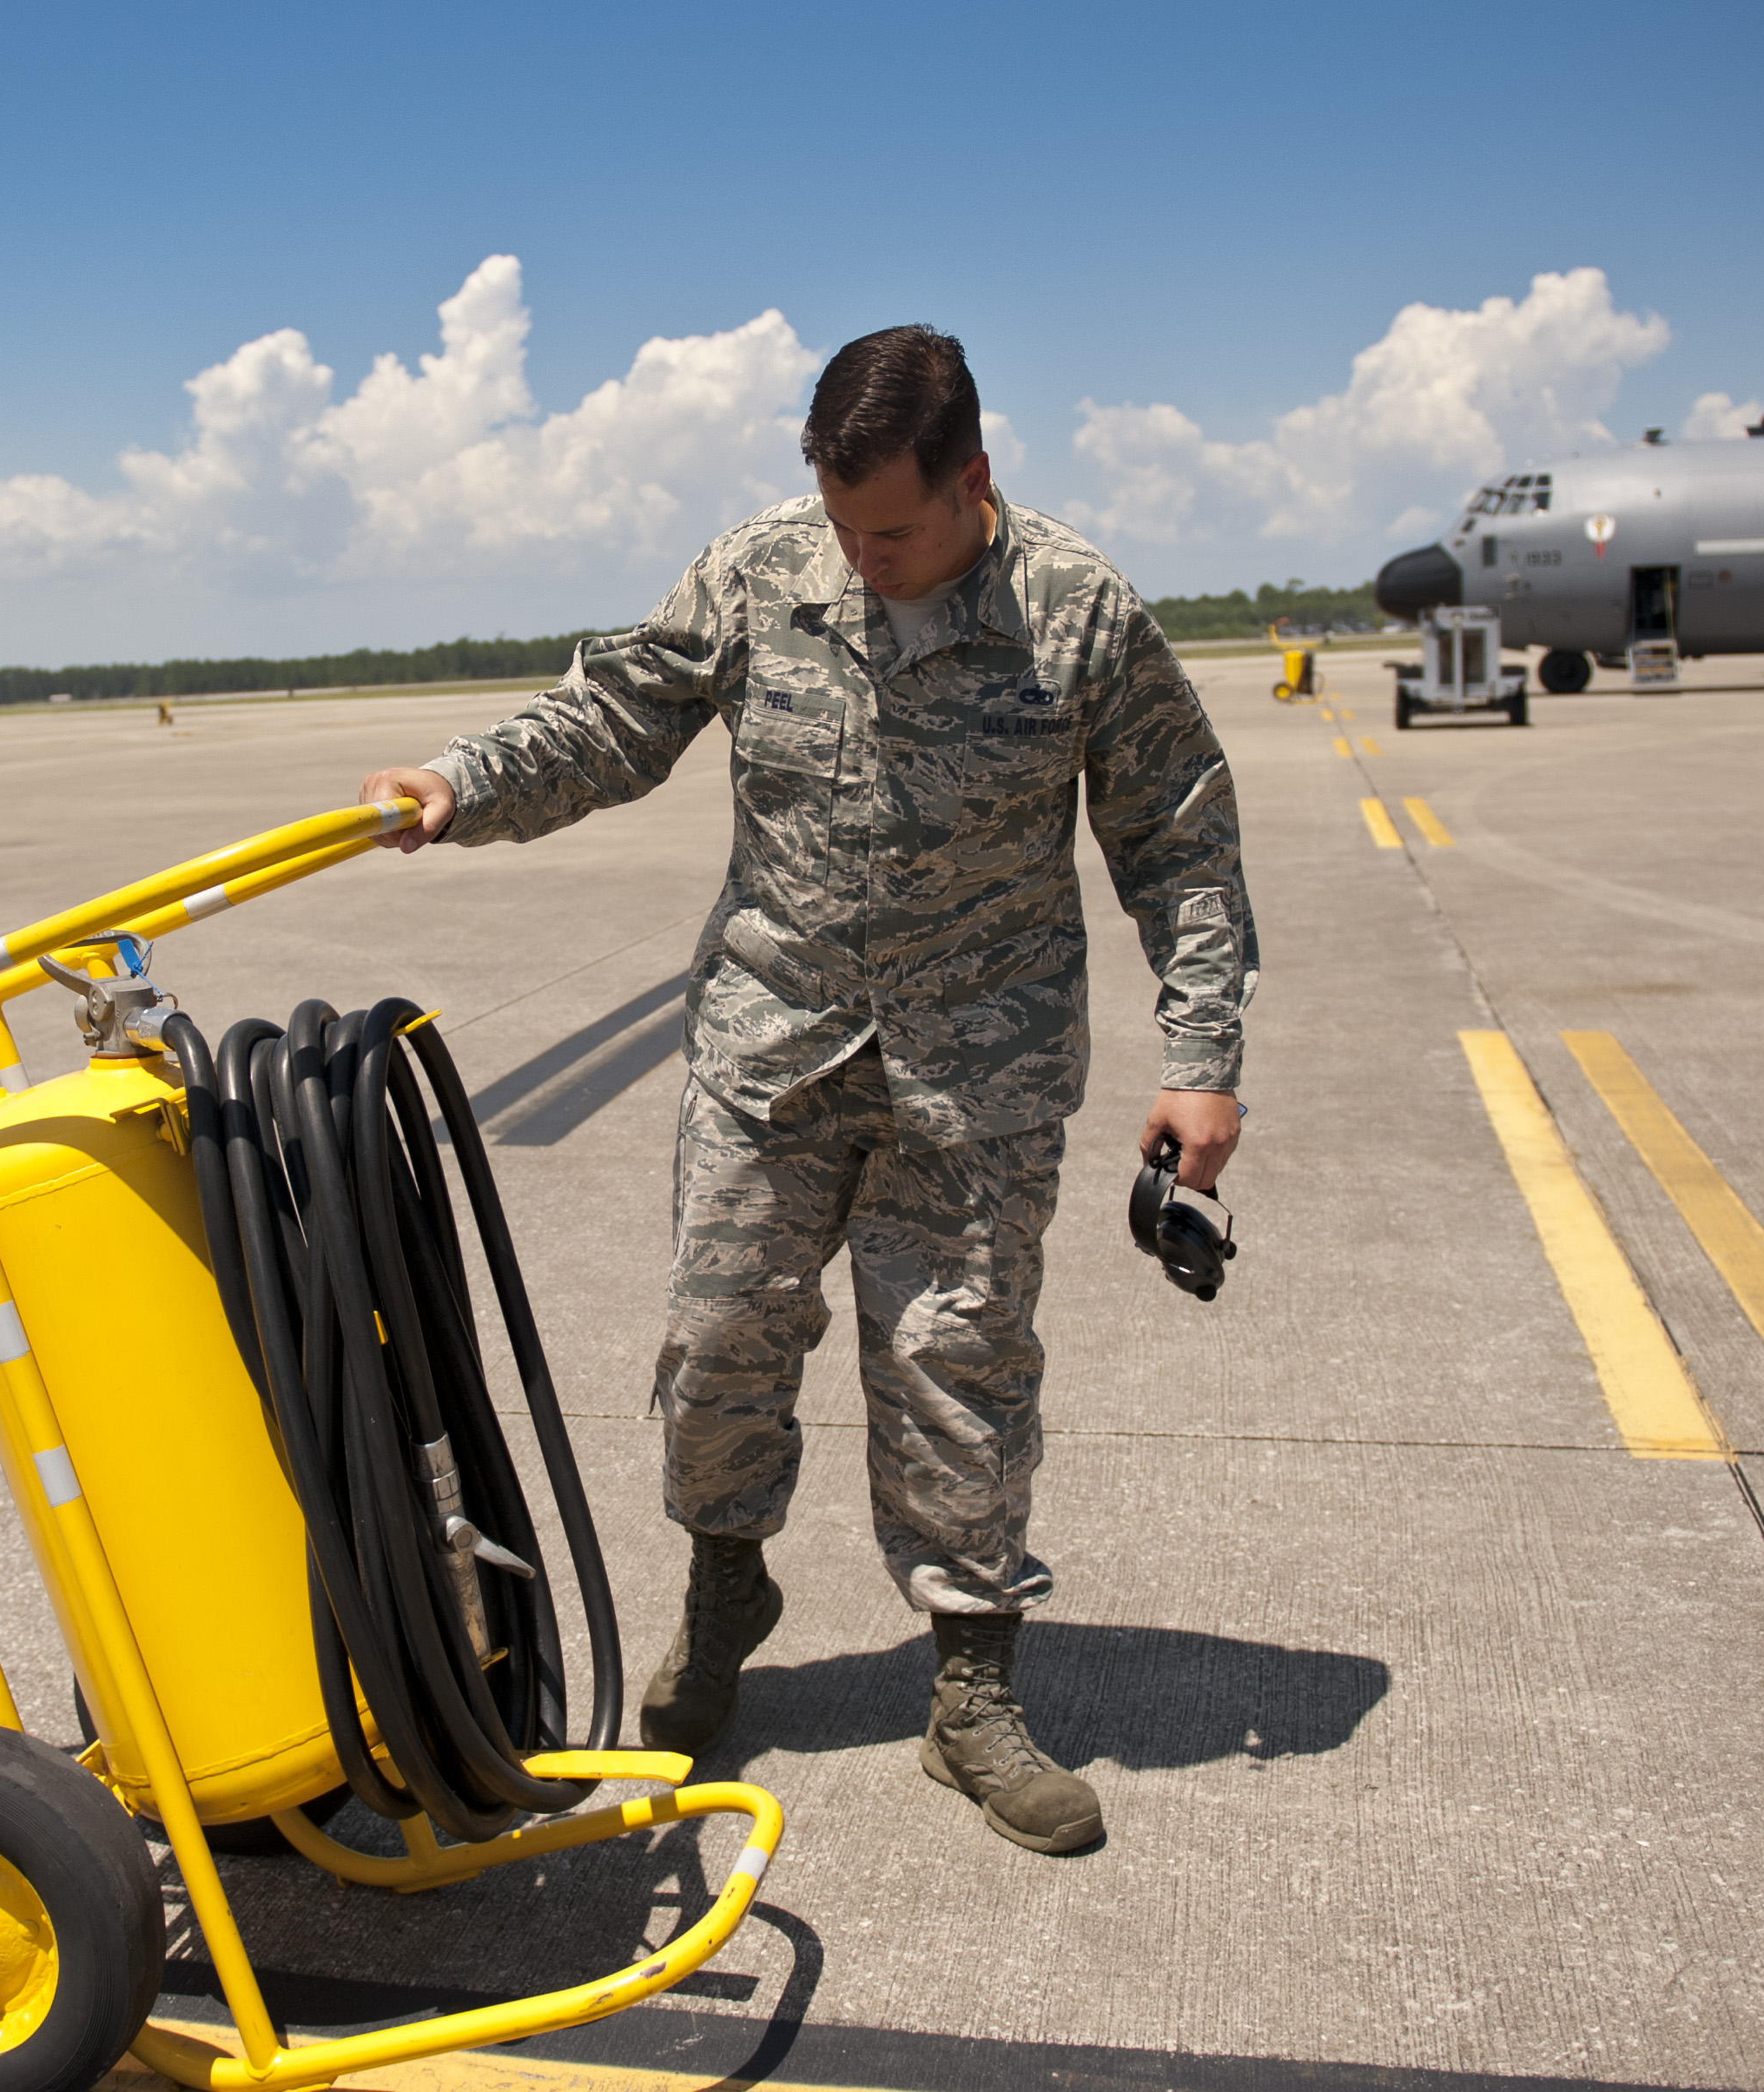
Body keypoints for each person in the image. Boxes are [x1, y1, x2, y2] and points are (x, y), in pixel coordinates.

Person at [353, 326, 1257, 1856]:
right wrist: (459, 784)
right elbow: (614, 715)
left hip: (977, 1077)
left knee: (958, 1373)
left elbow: (1179, 839)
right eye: (840, 524)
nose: (859, 558)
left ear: (973, 481)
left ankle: (970, 1693)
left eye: (889, 531)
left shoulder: (1079, 613)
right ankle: (725, 1592)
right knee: (717, 1346)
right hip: (768, 1053)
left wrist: (1201, 1060)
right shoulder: (763, 571)